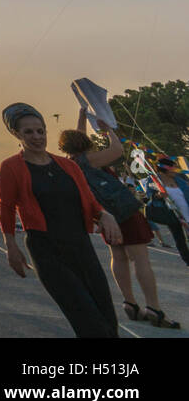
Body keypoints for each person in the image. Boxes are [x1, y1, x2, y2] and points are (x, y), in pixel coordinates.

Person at [0, 103, 121, 338]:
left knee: (107, 318)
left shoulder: (68, 166)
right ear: (17, 134)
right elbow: (6, 206)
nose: (36, 137)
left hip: (81, 246)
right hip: (47, 249)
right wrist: (10, 245)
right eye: (28, 132)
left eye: (40, 131)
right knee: (87, 319)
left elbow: (89, 201)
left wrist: (105, 215)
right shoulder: (11, 167)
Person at [59, 122, 179, 328]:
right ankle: (154, 308)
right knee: (141, 259)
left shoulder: (72, 163)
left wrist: (81, 115)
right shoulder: (90, 160)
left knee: (119, 256)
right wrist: (108, 130)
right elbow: (117, 150)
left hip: (105, 215)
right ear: (84, 143)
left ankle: (130, 303)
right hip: (124, 211)